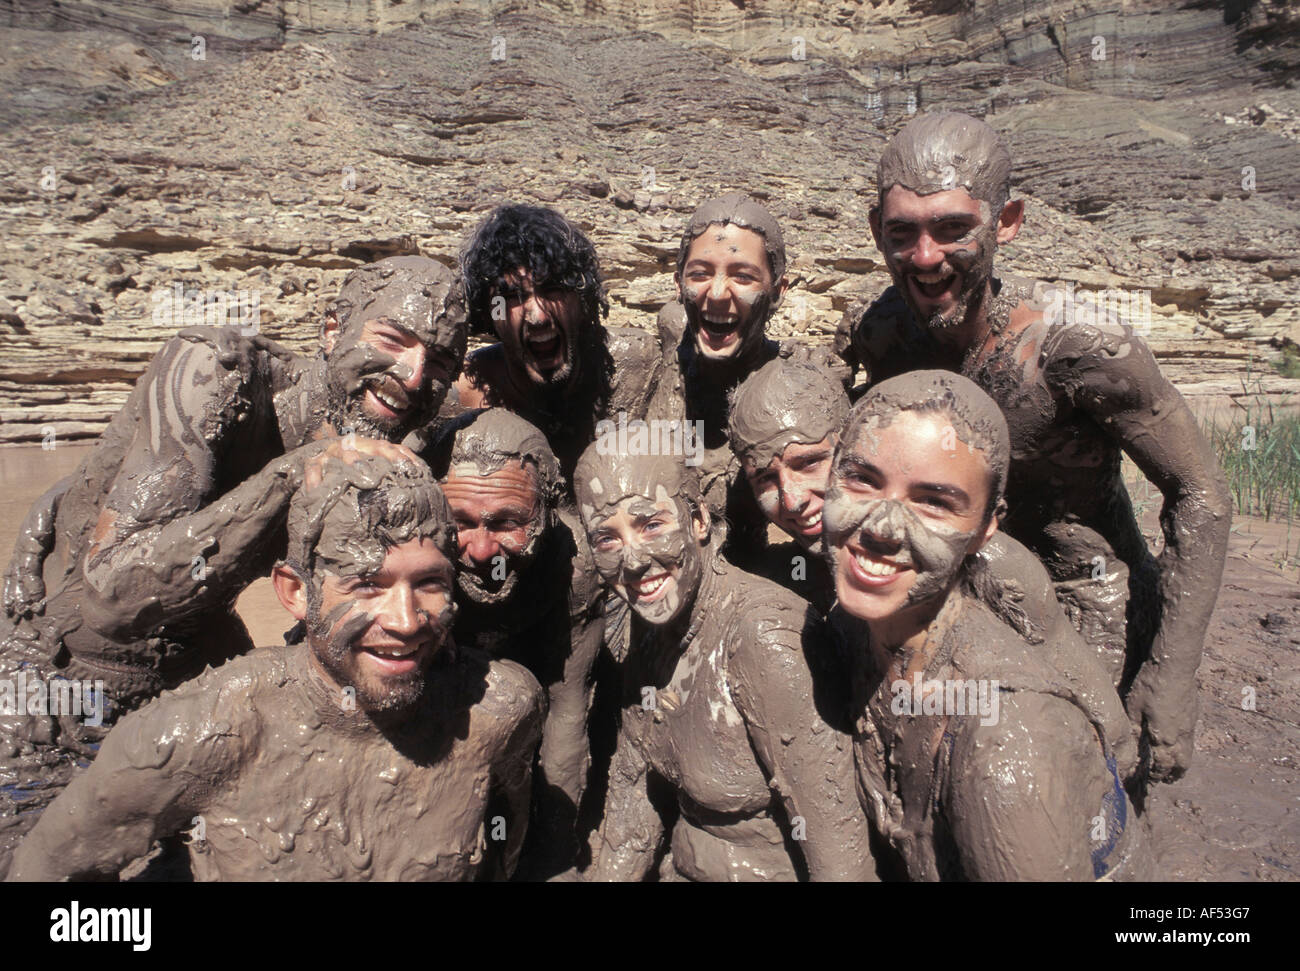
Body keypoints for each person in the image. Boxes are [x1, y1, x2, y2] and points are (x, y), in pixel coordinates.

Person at [0, 256, 467, 876]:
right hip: (59, 673)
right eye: (392, 340)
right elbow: (111, 600)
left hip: (197, 669)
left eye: (440, 362)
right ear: (333, 330)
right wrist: (295, 470)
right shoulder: (216, 371)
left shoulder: (389, 439)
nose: (414, 376)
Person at [836, 111, 1231, 785]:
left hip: (1086, 609)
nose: (925, 257)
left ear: (1007, 221)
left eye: (952, 228)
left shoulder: (1076, 348)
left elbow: (1203, 495)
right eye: (902, 233)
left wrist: (1173, 673)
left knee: (1057, 794)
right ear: (877, 231)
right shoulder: (883, 333)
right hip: (955, 594)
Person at [7, 451, 543, 881]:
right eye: (366, 585)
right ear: (293, 591)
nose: (405, 621)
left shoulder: (499, 710)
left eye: (428, 583)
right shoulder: (201, 733)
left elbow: (506, 850)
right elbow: (49, 873)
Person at [824, 370, 1147, 880]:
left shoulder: (1006, 745)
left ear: (984, 529)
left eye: (932, 502)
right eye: (862, 479)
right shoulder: (850, 628)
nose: (881, 527)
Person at [573, 444, 873, 881]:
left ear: (697, 519)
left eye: (652, 525)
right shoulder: (651, 623)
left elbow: (839, 854)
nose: (633, 561)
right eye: (607, 538)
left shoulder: (764, 638)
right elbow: (633, 800)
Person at [424, 408, 602, 877]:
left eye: (507, 523)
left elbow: (568, 710)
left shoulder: (574, 567)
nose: (481, 551)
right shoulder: (415, 555)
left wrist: (552, 854)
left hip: (525, 696)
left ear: (548, 511)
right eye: (458, 522)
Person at [649, 192, 845, 562]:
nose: (719, 294)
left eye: (743, 276)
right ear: (679, 284)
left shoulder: (804, 389)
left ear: (778, 291)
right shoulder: (655, 367)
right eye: (700, 274)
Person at [451, 204, 662, 484]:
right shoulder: (465, 392)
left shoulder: (641, 369)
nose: (537, 317)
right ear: (491, 313)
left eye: (553, 289)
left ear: (583, 300)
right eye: (512, 297)